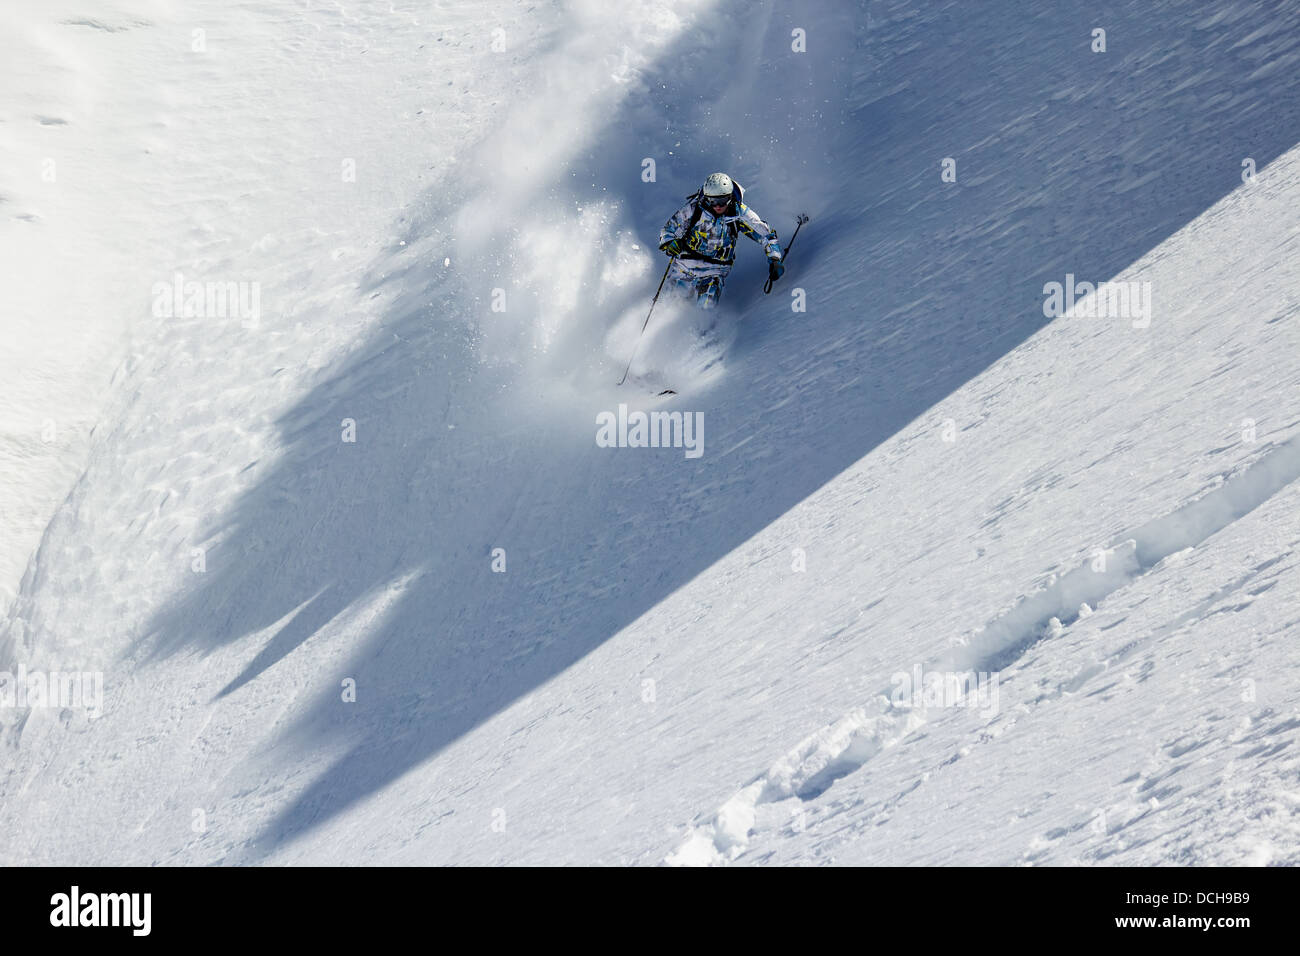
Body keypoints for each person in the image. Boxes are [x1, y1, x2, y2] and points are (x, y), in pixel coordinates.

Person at [657, 172, 784, 309]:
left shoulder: (739, 214)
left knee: (705, 307)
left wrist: (775, 259)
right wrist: (670, 243)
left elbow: (767, 235)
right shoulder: (694, 209)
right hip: (685, 266)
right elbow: (668, 230)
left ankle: (701, 329)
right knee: (670, 305)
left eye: (722, 201)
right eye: (712, 201)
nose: (717, 206)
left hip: (715, 270)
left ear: (729, 197)